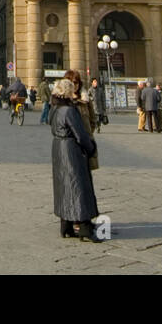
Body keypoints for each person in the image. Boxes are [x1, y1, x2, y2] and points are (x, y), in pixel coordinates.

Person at [48, 76, 101, 242]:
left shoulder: (54, 109)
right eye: (71, 89)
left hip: (58, 149)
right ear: (67, 92)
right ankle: (85, 228)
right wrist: (91, 148)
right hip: (71, 151)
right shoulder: (69, 110)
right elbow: (80, 134)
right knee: (79, 187)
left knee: (64, 187)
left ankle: (66, 226)